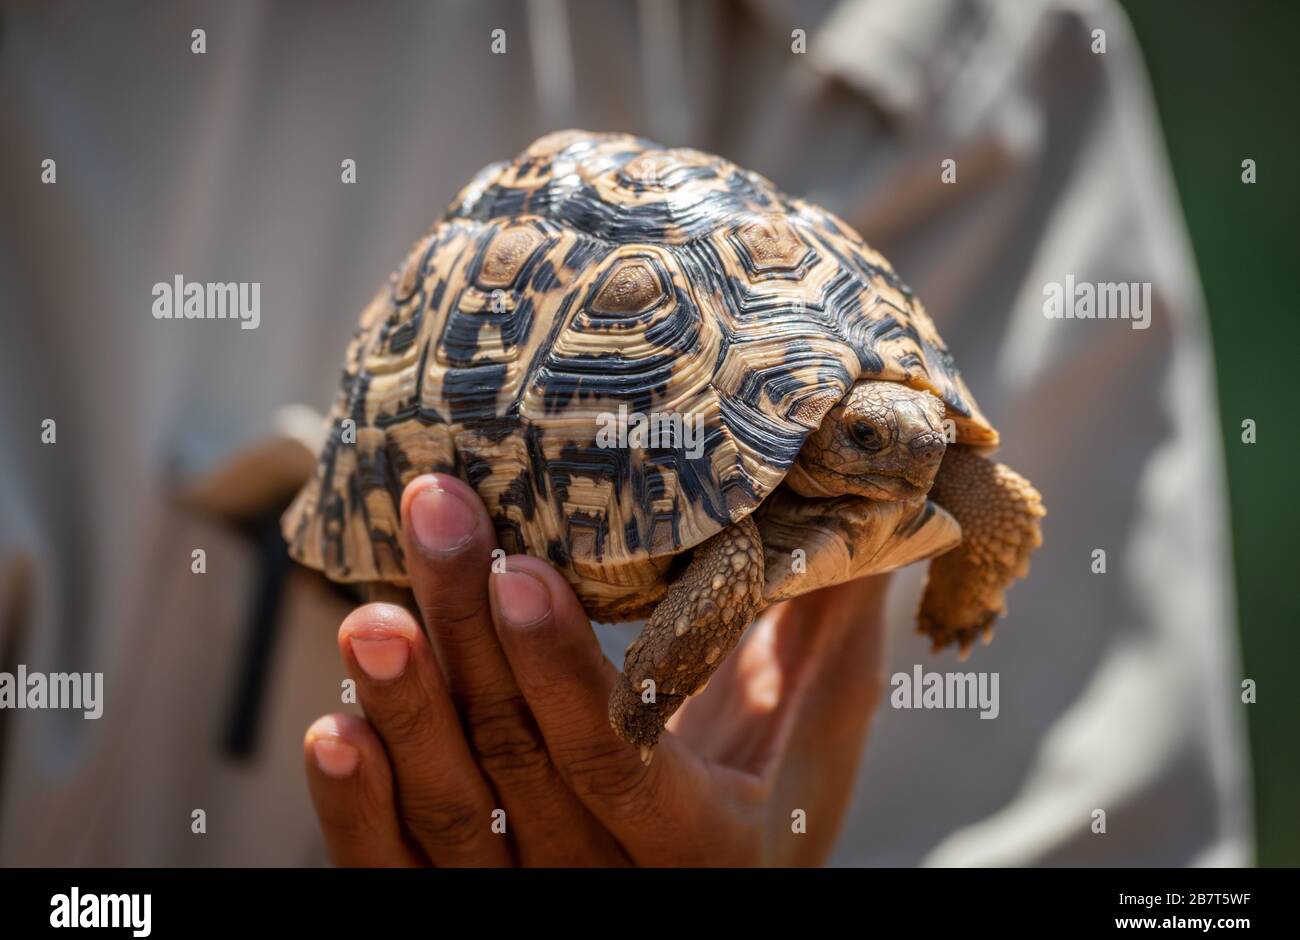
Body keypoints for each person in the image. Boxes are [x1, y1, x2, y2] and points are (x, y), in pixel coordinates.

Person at [0, 0, 1250, 866]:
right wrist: (636, 717)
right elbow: (739, 550)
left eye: (913, 438)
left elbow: (982, 505)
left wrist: (969, 576)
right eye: (875, 445)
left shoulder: (985, 60)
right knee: (736, 560)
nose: (915, 460)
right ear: (822, 438)